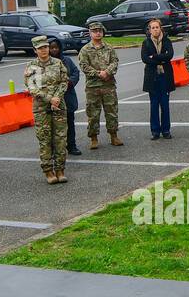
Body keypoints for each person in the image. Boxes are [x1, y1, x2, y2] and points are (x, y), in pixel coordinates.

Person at [23, 34, 69, 184]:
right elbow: (31, 87)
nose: (44, 50)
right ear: (35, 50)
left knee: (60, 139)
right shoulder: (31, 67)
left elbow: (64, 81)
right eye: (40, 48)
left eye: (46, 47)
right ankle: (48, 171)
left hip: (59, 106)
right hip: (41, 108)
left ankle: (60, 169)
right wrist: (50, 99)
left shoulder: (58, 63)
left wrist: (57, 97)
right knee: (45, 140)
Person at [78, 21, 121, 149]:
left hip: (108, 85)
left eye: (100, 31)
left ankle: (114, 136)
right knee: (93, 113)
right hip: (93, 87)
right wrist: (98, 73)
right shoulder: (85, 50)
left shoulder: (109, 48)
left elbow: (115, 62)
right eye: (95, 31)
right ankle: (93, 138)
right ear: (90, 33)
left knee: (112, 111)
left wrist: (107, 72)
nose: (98, 33)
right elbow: (84, 66)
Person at [141, 18, 175, 140]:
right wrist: (161, 58)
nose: (155, 29)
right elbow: (145, 58)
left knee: (165, 105)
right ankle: (155, 131)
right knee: (154, 105)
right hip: (152, 77)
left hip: (165, 77)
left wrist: (155, 56)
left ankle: (166, 130)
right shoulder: (146, 43)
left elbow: (169, 55)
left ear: (161, 28)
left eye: (157, 27)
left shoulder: (167, 41)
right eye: (153, 28)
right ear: (149, 30)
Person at [49, 39, 83, 156]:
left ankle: (72, 146)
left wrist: (70, 83)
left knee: (70, 123)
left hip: (67, 96)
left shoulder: (67, 60)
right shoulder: (46, 63)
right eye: (51, 47)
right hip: (53, 99)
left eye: (56, 47)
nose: (54, 50)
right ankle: (55, 149)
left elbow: (75, 72)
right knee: (53, 126)